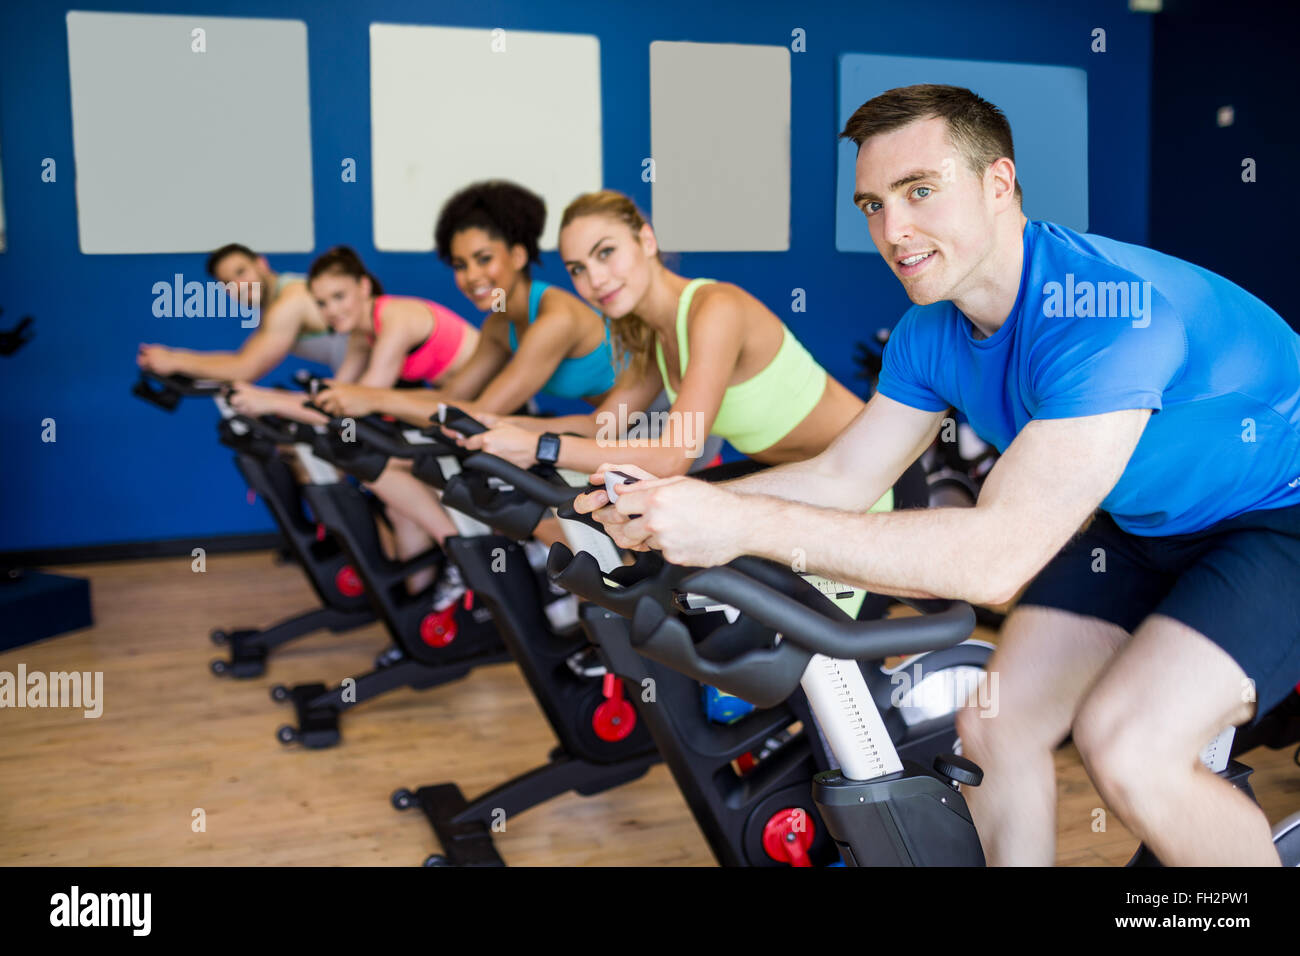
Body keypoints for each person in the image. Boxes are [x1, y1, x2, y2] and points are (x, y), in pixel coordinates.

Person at [577, 84, 1300, 867]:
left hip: (1278, 514)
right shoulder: (931, 332)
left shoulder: (1105, 312)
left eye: (920, 191)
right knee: (993, 724)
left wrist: (736, 526)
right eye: (873, 205)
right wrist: (660, 510)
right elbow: (841, 478)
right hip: (1142, 525)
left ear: (998, 183)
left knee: (1129, 747)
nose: (893, 229)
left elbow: (994, 563)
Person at [452, 190, 871, 491]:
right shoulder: (651, 334)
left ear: (646, 241)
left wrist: (539, 447)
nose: (595, 279)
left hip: (866, 475)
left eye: (606, 252)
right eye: (577, 269)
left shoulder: (715, 309)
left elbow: (674, 456)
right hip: (795, 476)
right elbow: (604, 426)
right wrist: (505, 425)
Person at [314, 180, 617, 426]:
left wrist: (374, 399)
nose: (472, 276)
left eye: (484, 259)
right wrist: (357, 394)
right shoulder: (500, 325)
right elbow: (454, 396)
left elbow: (483, 414)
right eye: (460, 265)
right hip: (613, 425)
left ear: (517, 256)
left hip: (648, 422)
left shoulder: (555, 320)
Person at [136, 243, 357, 382]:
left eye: (241, 272)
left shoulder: (290, 301)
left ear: (261, 263)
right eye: (228, 282)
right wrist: (173, 356)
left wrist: (175, 361)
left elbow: (245, 369)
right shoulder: (273, 305)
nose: (239, 285)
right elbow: (241, 358)